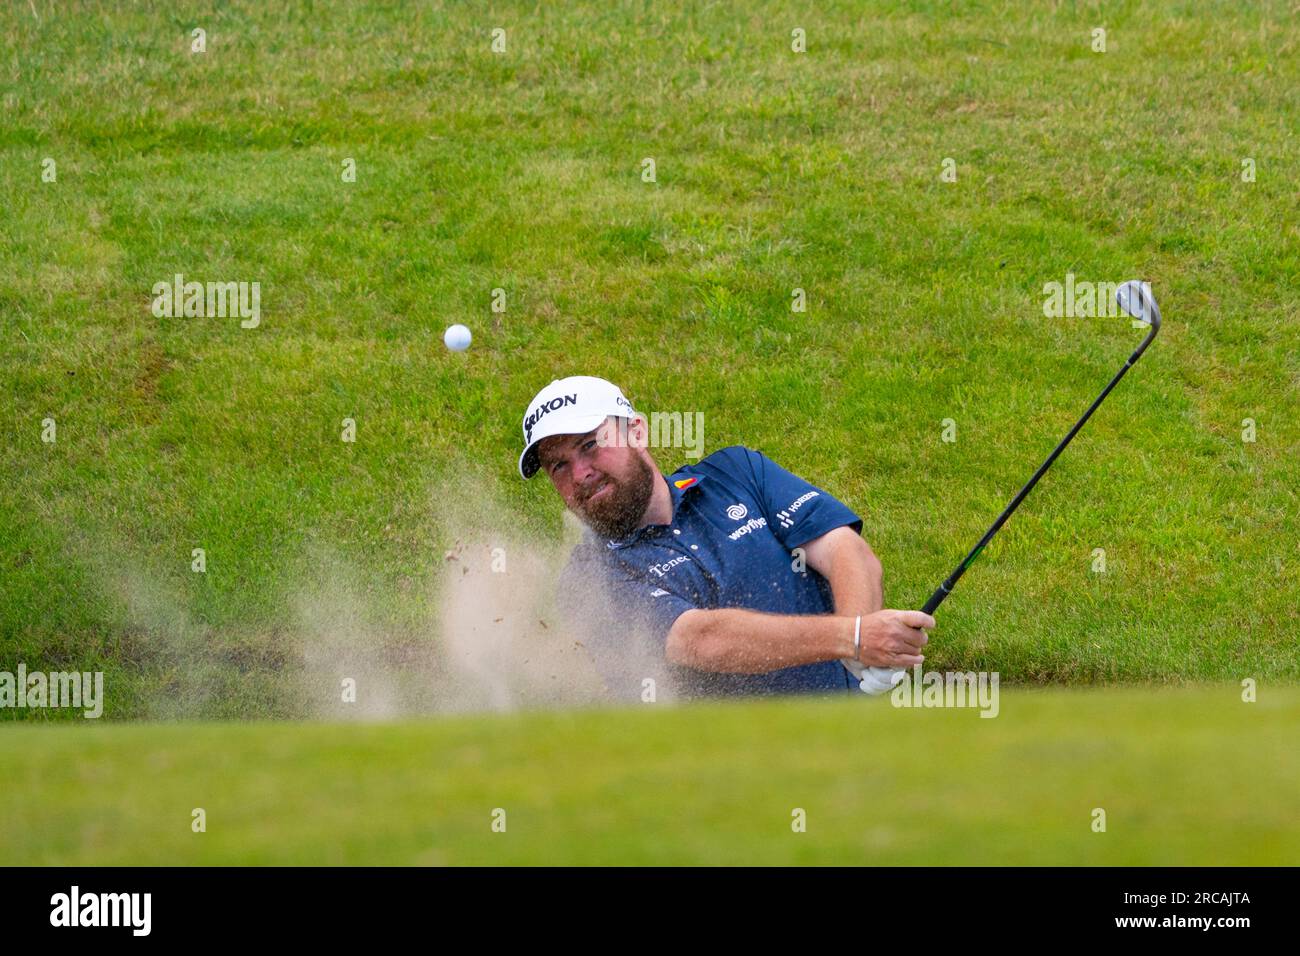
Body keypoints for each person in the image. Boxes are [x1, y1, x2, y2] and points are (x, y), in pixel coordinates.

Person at [518, 375, 934, 700]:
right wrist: (854, 637)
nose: (580, 474)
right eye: (559, 466)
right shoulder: (587, 580)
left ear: (637, 433)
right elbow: (701, 640)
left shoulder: (736, 473)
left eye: (591, 445)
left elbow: (844, 549)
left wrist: (858, 645)